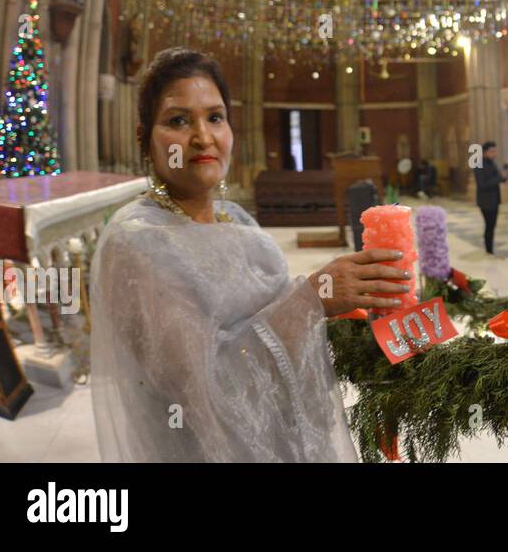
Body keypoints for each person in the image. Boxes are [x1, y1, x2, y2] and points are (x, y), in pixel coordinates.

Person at [90, 48, 413, 461]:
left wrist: (348, 319)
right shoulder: (136, 241)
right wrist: (312, 298)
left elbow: (270, 325)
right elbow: (205, 394)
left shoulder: (238, 222)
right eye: (177, 120)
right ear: (143, 138)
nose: (202, 137)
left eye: (215, 117)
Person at [473, 141, 508, 254]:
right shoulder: (478, 164)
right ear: (485, 152)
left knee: (492, 225)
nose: (494, 154)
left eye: (495, 151)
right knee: (489, 225)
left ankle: (490, 249)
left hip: (494, 200)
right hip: (485, 201)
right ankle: (489, 250)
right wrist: (499, 177)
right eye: (492, 151)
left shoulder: (492, 163)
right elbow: (482, 184)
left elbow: (500, 179)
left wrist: (506, 173)